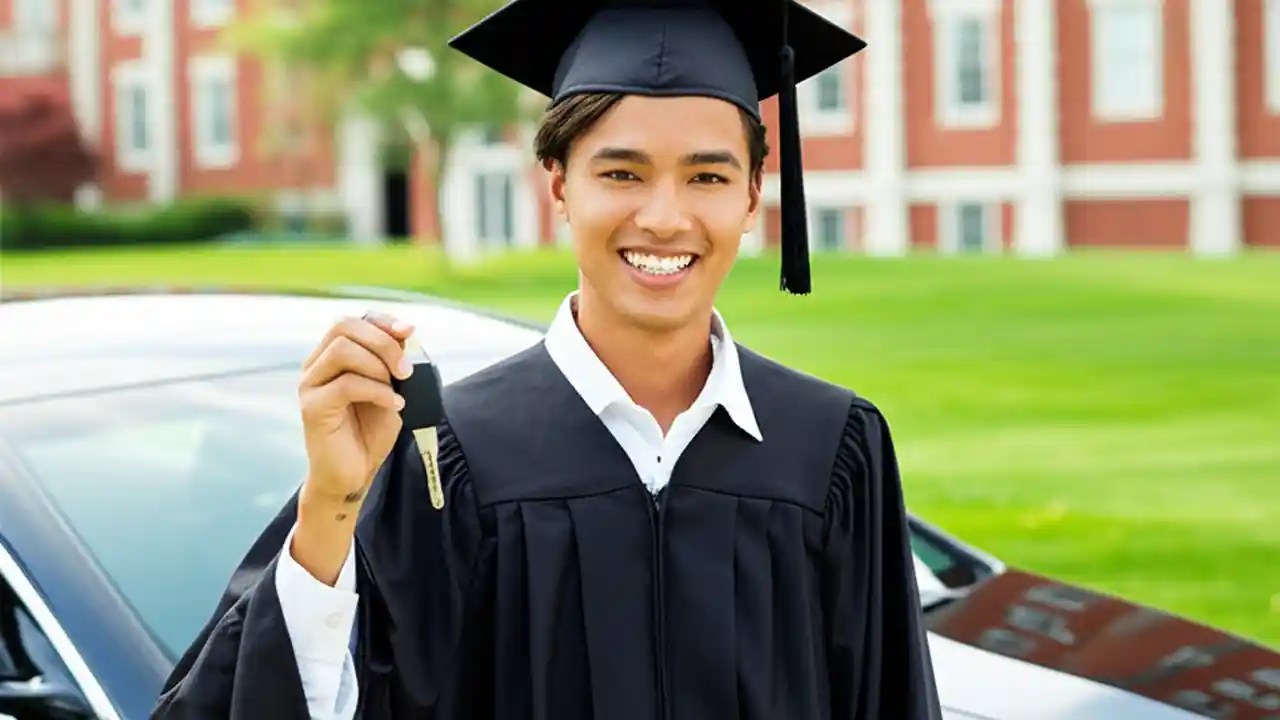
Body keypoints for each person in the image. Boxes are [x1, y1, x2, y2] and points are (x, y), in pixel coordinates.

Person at [153, 0, 942, 717]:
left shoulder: (833, 447)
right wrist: (330, 503)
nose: (664, 217)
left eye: (706, 175)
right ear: (558, 186)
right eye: (621, 173)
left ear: (751, 195)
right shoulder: (444, 457)